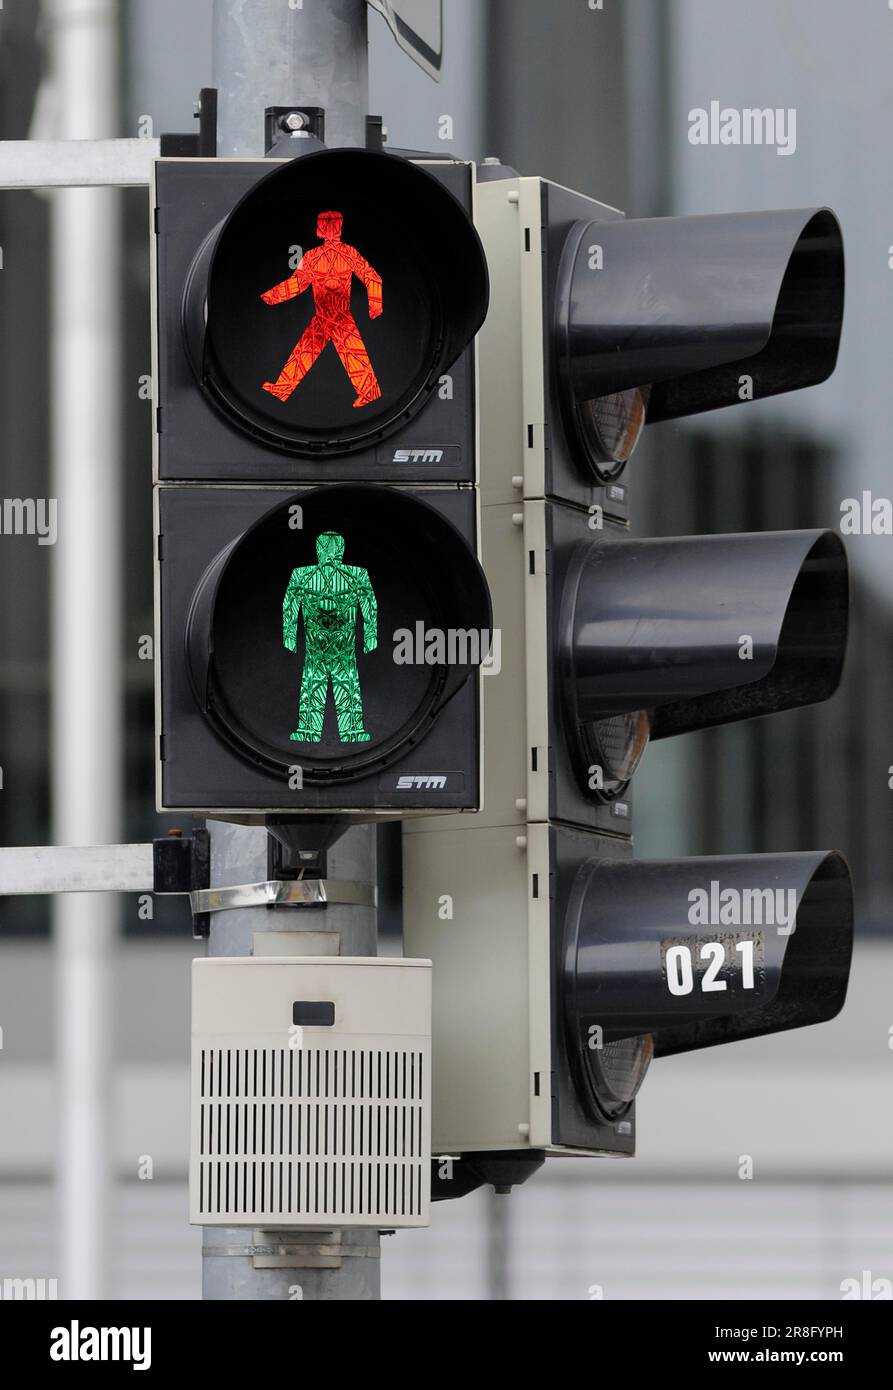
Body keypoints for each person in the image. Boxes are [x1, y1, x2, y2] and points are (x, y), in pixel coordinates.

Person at [260, 210, 383, 408]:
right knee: (308, 351)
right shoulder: (334, 254)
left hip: (338, 314)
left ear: (321, 230)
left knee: (347, 353)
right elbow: (298, 283)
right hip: (325, 314)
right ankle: (283, 387)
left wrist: (272, 297)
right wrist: (271, 297)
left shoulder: (319, 255)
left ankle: (369, 392)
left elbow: (297, 284)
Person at [282, 531, 378, 743]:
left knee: (346, 681)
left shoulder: (357, 574)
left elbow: (370, 603)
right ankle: (309, 731)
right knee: (313, 682)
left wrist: (371, 636)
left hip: (344, 642)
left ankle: (351, 731)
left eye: (335, 549)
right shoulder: (301, 575)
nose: (331, 553)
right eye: (326, 548)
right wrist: (288, 636)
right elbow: (289, 603)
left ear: (342, 550)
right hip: (316, 643)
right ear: (317, 550)